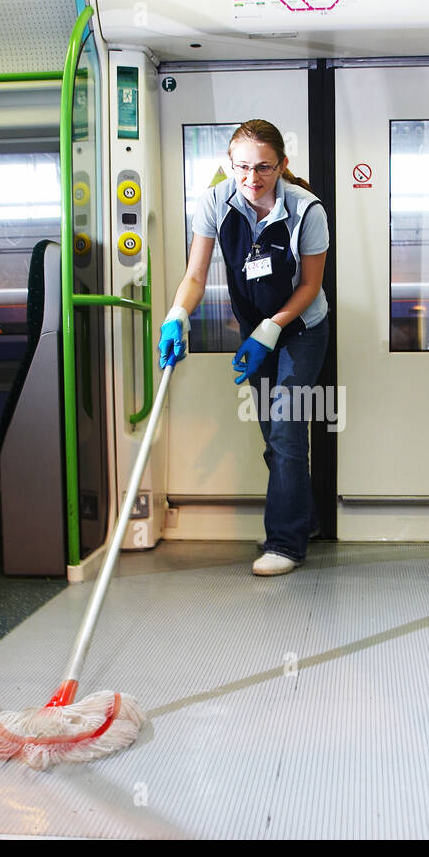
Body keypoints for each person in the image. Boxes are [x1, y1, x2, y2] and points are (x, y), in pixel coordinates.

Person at [158, 119, 330, 576]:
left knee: (287, 427)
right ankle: (303, 520)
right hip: (254, 330)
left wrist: (271, 330)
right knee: (273, 435)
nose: (252, 179)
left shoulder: (306, 210)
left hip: (301, 328)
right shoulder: (217, 201)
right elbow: (196, 276)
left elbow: (311, 286)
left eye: (264, 168)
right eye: (242, 168)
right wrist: (177, 314)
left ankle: (286, 544)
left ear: (282, 165)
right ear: (229, 166)